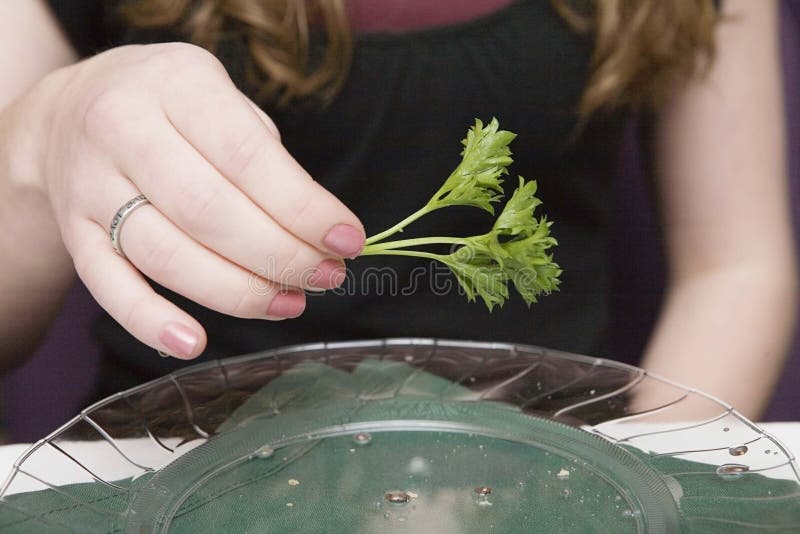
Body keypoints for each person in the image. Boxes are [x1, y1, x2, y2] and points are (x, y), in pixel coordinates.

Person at [0, 0, 795, 420]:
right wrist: (45, 132)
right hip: (176, 452)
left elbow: (736, 267)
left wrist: (637, 477)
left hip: (543, 451)